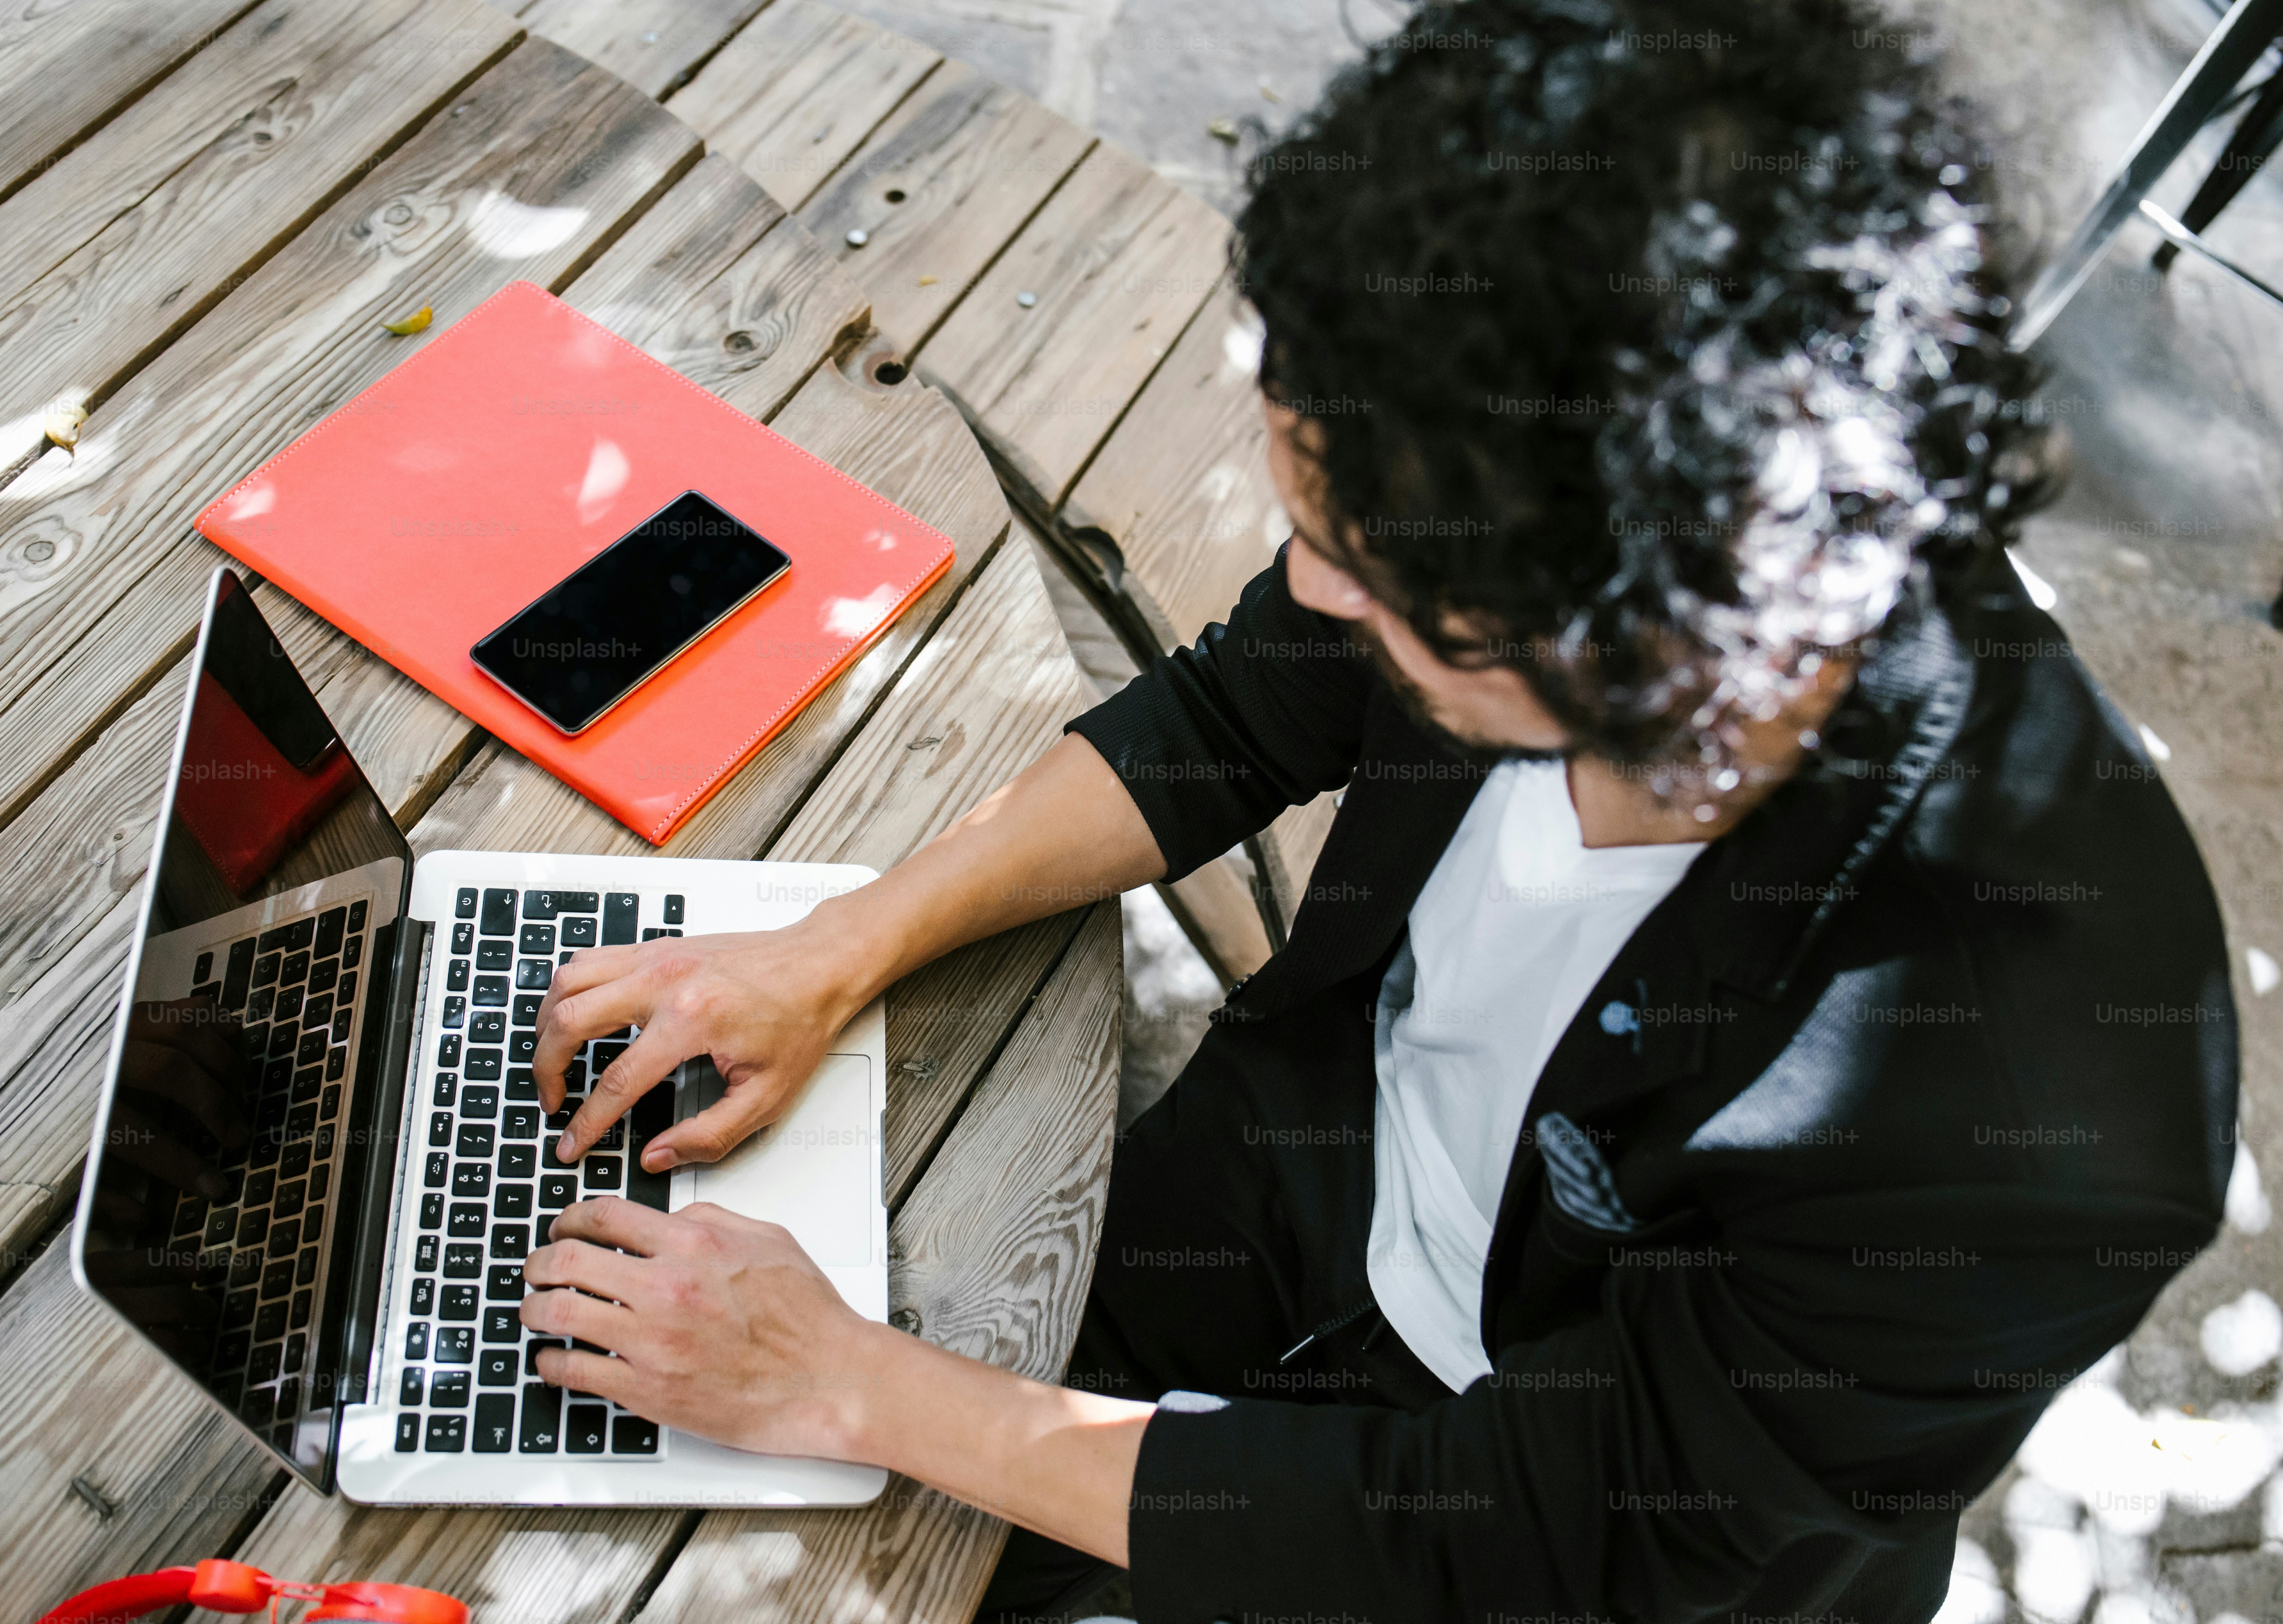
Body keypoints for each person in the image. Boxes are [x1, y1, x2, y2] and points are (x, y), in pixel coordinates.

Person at [516, 0, 2240, 1619]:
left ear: (1643, 632)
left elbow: (1510, 1533)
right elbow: (1236, 708)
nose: (1307, 592)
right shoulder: (1524, 474)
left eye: (1363, 570)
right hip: (1294, 1157)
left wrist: (860, 1386)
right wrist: (836, 947)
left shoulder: (2043, 1119)